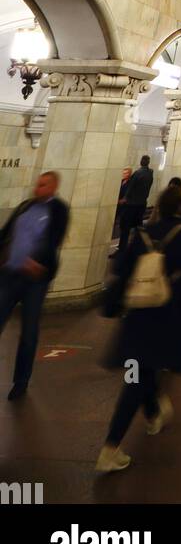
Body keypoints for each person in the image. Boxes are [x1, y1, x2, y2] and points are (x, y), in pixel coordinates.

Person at [96, 183, 181, 473]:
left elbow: (121, 270)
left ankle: (153, 411)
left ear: (159, 207)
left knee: (140, 371)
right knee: (138, 379)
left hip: (137, 320)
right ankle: (111, 447)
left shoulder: (142, 235)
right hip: (168, 320)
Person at [0, 171, 69, 400]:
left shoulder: (59, 209)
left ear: (54, 187)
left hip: (34, 282)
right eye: (37, 184)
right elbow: (5, 234)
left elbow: (54, 240)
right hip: (9, 275)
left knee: (29, 332)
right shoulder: (25, 206)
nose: (37, 188)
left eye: (43, 185)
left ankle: (21, 381)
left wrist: (38, 261)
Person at [116, 154, 153, 258]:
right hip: (141, 204)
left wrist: (125, 198)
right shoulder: (150, 174)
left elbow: (131, 187)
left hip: (131, 205)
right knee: (138, 227)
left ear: (142, 162)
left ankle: (122, 249)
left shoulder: (138, 173)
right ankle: (138, 248)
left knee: (125, 227)